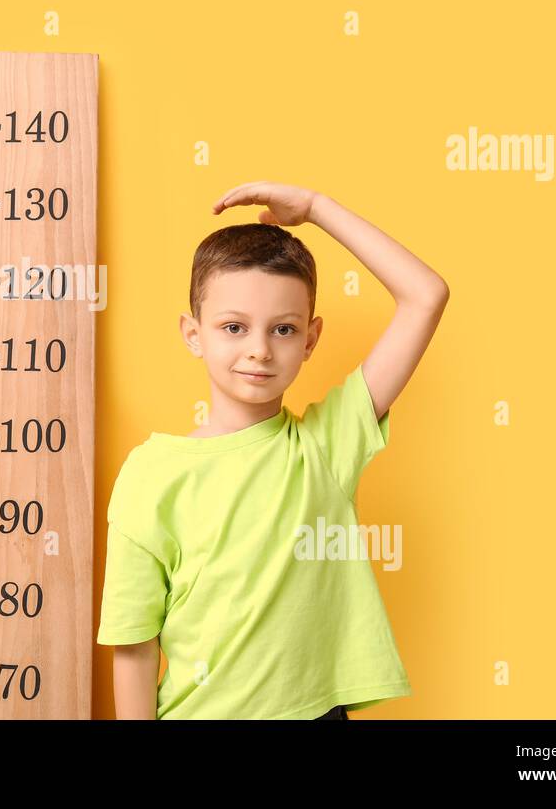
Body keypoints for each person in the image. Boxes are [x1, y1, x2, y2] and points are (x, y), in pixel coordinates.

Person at [98, 183, 449, 719]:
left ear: (310, 340)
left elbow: (426, 294)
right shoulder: (152, 473)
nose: (259, 349)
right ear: (194, 335)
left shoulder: (327, 446)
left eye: (283, 329)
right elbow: (133, 641)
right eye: (233, 327)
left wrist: (316, 209)